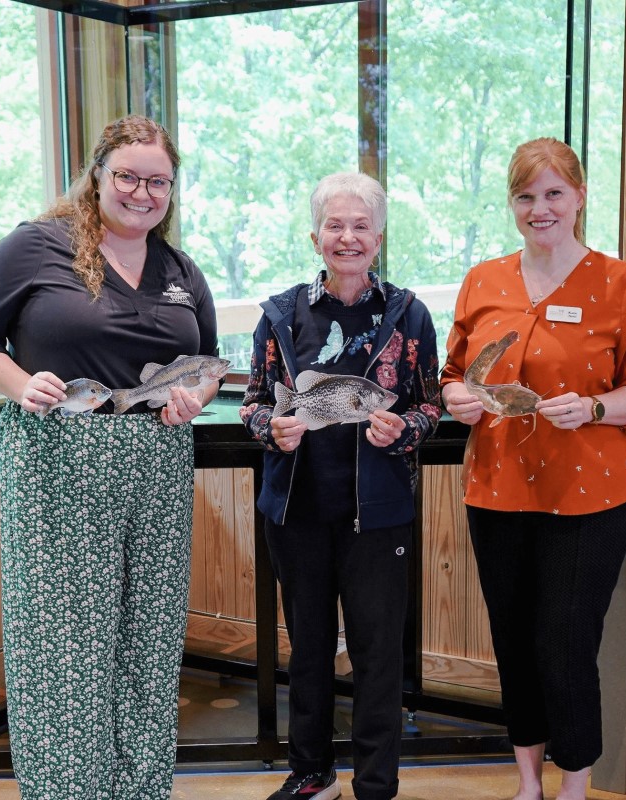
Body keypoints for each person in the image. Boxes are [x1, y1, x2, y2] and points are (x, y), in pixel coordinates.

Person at [0, 115, 220, 800]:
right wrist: (21, 384)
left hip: (157, 460)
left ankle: (139, 789)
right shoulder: (38, 246)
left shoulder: (179, 268)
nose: (141, 191)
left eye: (157, 181)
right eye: (127, 175)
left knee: (150, 641)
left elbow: (207, 362)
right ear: (96, 173)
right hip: (62, 456)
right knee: (65, 648)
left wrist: (195, 391)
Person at [440, 137, 626, 800]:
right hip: (497, 491)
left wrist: (594, 407)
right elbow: (455, 375)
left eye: (553, 194)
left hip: (588, 498)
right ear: (513, 203)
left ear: (579, 196)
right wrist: (457, 398)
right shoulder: (483, 280)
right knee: (512, 640)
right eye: (525, 196)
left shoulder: (621, 283)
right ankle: (529, 781)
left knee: (564, 646)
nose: (540, 209)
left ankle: (576, 783)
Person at [240, 171, 441, 800]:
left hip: (377, 515)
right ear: (315, 235)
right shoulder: (280, 314)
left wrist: (400, 429)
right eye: (335, 225)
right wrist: (274, 429)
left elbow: (431, 406)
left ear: (378, 239)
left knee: (378, 654)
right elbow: (252, 404)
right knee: (307, 651)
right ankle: (311, 772)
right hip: (296, 509)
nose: (347, 237)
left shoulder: (408, 315)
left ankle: (376, 782)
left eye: (361, 227)